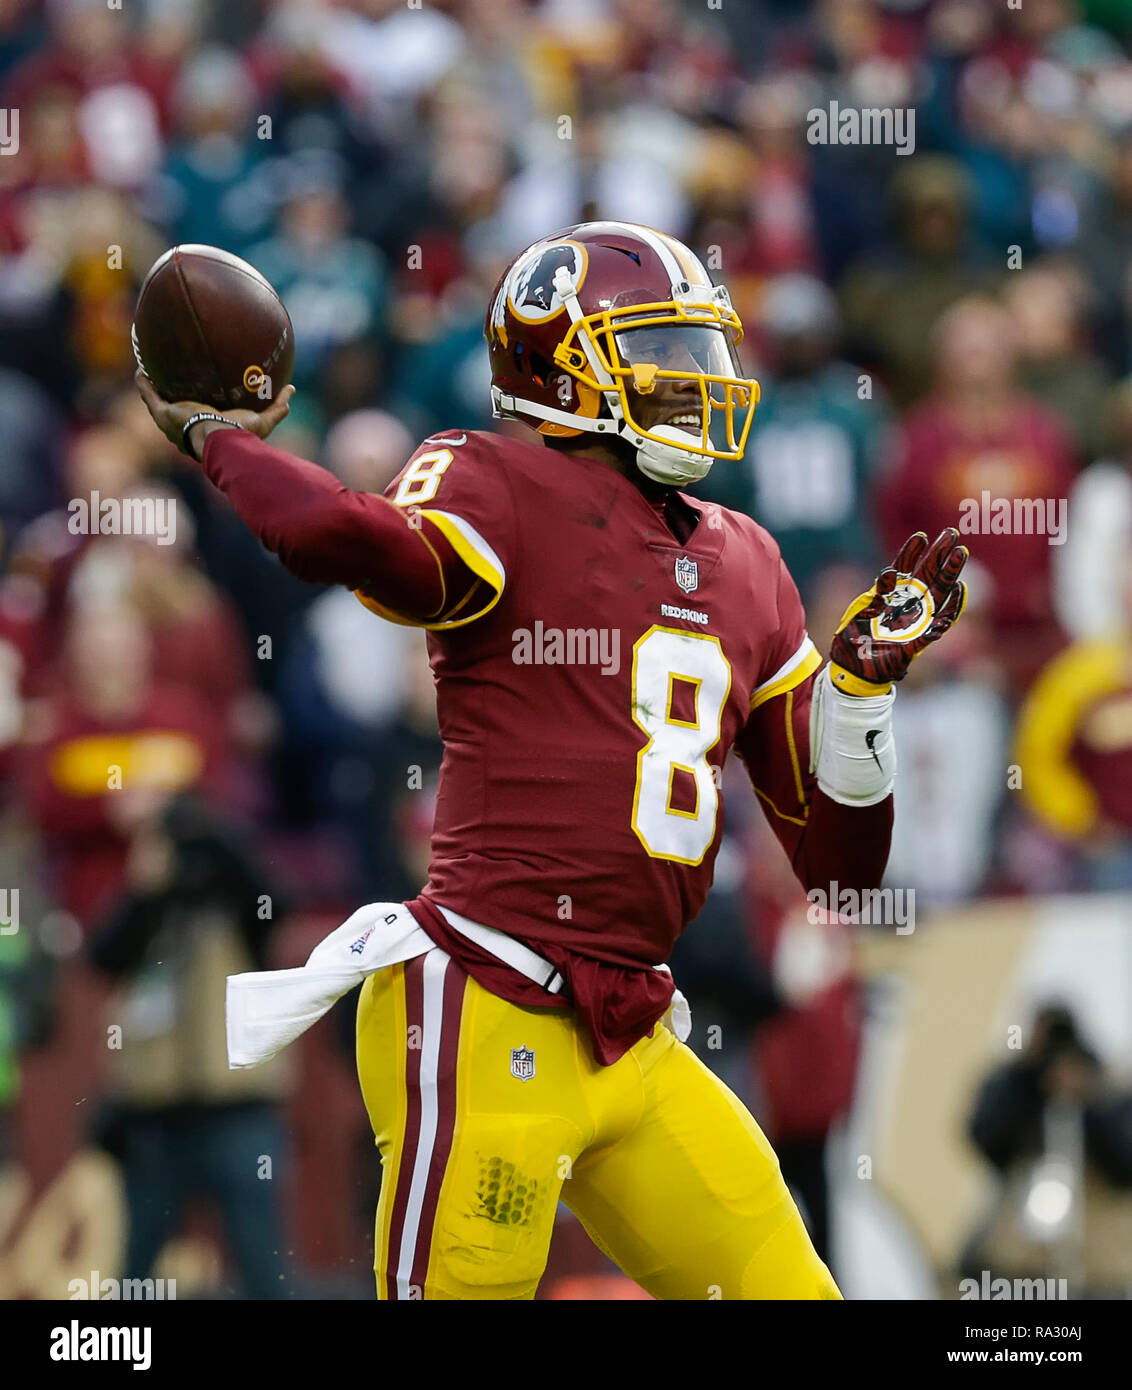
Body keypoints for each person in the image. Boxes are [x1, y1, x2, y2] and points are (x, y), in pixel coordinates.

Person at [136, 220, 968, 1301]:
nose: (697, 382)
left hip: (631, 1028)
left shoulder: (747, 559)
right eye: (662, 354)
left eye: (698, 352)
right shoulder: (494, 479)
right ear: (560, 367)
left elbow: (840, 873)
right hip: (489, 992)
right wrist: (222, 439)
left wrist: (857, 698)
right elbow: (351, 542)